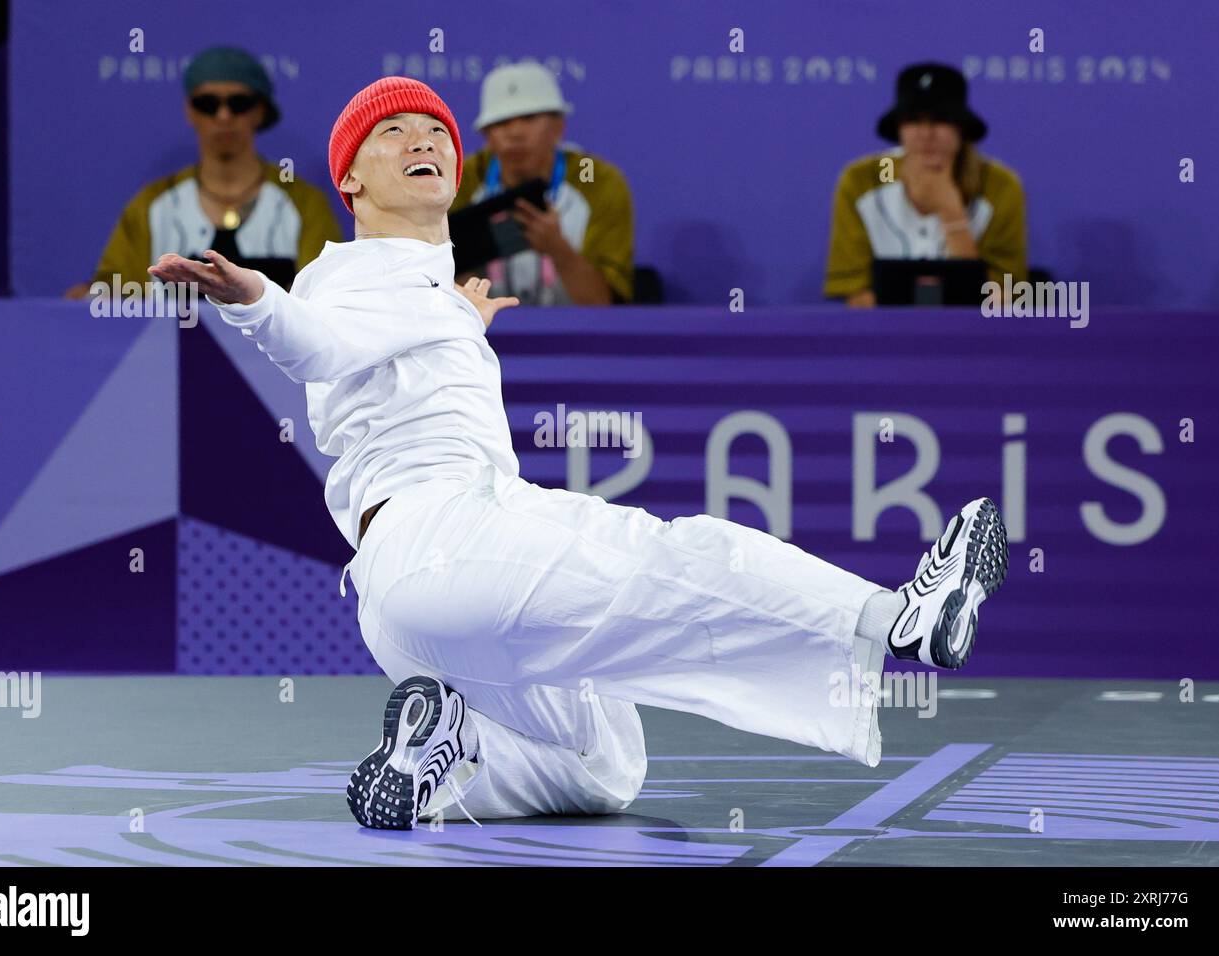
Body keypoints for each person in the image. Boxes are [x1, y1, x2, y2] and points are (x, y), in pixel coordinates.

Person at [148, 77, 1009, 830]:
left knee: (606, 766)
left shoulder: (424, 295)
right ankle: (900, 617)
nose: (423, 140)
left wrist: (460, 323)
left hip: (407, 608)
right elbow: (316, 342)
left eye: (437, 131)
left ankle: (452, 753)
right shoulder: (353, 274)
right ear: (350, 179)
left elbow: (378, 344)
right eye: (392, 132)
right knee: (679, 556)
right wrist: (254, 299)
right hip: (447, 537)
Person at [65, 46, 342, 298]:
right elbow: (115, 297)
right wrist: (88, 300)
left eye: (239, 103)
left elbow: (325, 299)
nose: (223, 116)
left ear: (260, 111)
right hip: (166, 354)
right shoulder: (151, 205)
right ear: (190, 111)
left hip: (272, 354)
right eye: (208, 104)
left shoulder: (306, 205)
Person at [824, 62, 1027, 306]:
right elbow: (856, 295)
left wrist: (951, 214)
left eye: (940, 120)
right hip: (886, 337)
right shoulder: (865, 179)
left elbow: (1003, 299)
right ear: (899, 128)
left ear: (961, 128)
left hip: (971, 338)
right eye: (913, 120)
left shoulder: (999, 185)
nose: (925, 133)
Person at [449, 62, 634, 305]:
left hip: (576, 336)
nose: (515, 133)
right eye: (502, 122)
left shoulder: (598, 181)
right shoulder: (456, 180)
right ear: (487, 136)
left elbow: (604, 306)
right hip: (482, 334)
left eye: (528, 118)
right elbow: (437, 296)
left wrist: (559, 251)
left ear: (559, 127)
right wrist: (469, 253)